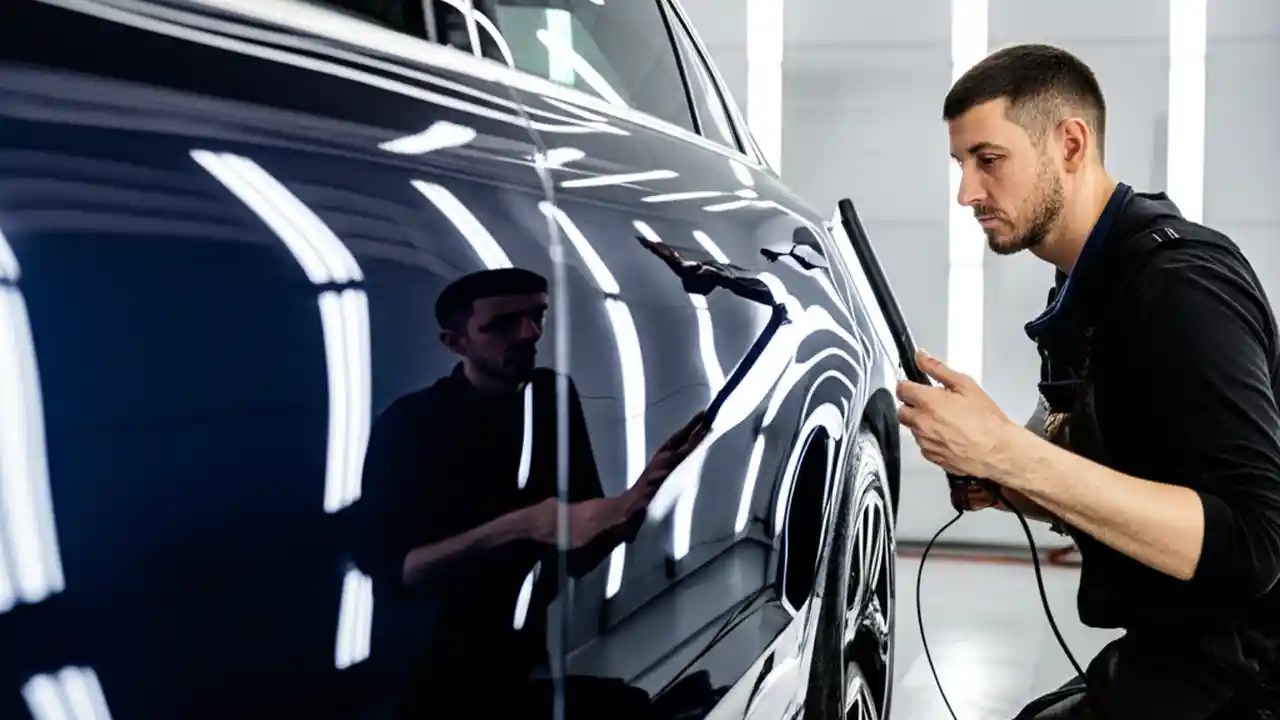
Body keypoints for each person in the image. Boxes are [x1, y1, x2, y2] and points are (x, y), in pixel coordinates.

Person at [896, 43, 1280, 719]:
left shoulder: (1179, 287)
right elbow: (1134, 479)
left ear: (1070, 144)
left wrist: (1008, 454)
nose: (966, 193)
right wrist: (1004, 478)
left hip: (1247, 678)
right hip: (1173, 652)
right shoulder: (1088, 284)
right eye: (961, 165)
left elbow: (1255, 545)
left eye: (989, 160)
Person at [357, 268, 708, 718]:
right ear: (455, 342)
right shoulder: (408, 423)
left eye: (537, 316)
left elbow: (577, 554)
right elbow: (395, 577)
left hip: (520, 660)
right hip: (430, 677)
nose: (530, 333)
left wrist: (637, 502)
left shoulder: (550, 395)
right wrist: (524, 525)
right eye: (503, 324)